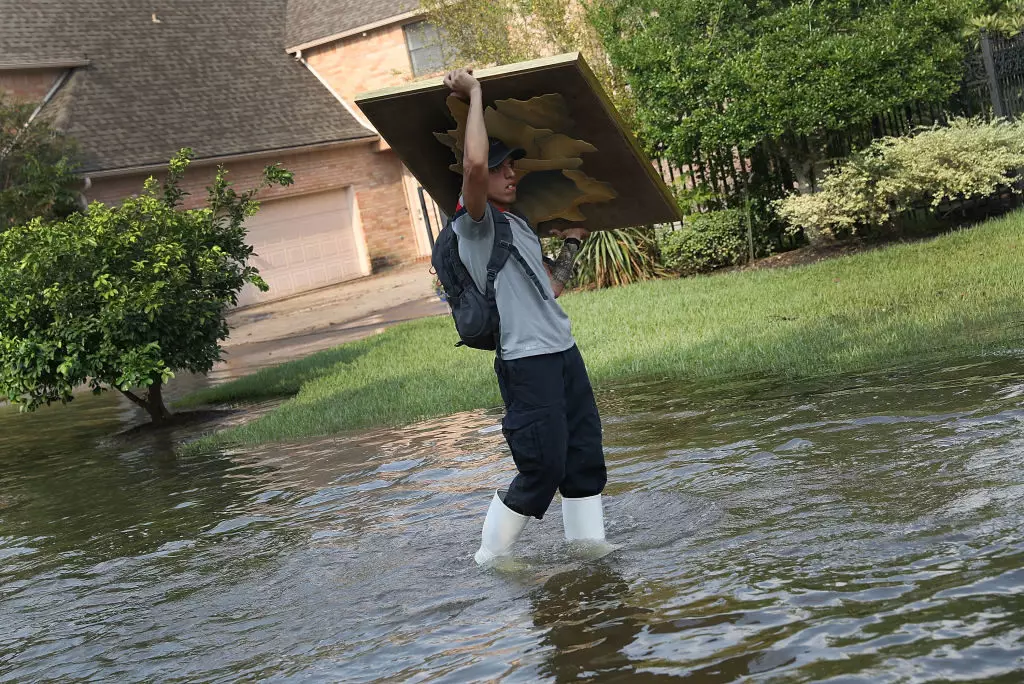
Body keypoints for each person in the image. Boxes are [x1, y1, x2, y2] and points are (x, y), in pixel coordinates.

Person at [442, 67, 608, 565]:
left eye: (511, 166)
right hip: (526, 362)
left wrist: (573, 244)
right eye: (500, 168)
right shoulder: (475, 227)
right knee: (542, 467)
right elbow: (471, 166)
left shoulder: (517, 225)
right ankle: (490, 558)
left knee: (582, 461)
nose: (510, 173)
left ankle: (589, 551)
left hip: (562, 353)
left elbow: (550, 289)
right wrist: (475, 95)